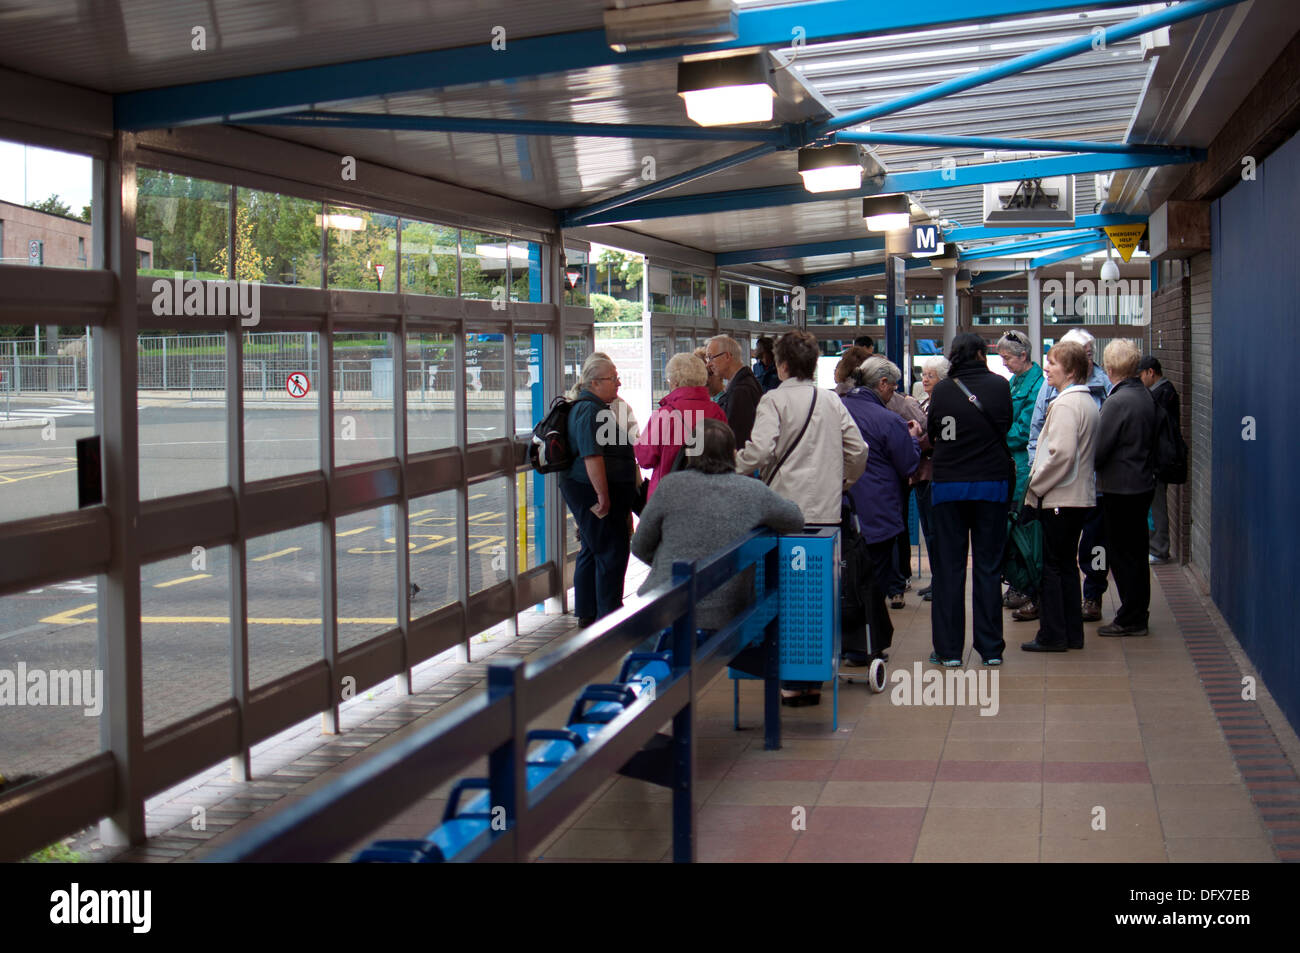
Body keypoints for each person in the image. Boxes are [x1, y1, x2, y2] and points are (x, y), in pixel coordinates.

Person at [737, 329, 869, 704]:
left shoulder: (773, 401)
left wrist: (730, 465)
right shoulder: (830, 401)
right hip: (826, 517)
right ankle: (814, 676)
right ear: (813, 364)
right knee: (821, 596)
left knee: (786, 597)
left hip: (784, 515)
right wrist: (843, 482)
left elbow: (760, 451)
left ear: (780, 365)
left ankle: (792, 680)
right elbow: (858, 450)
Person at [632, 418, 805, 632]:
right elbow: (796, 519)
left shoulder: (670, 485)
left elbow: (639, 546)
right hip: (721, 618)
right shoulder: (753, 491)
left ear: (690, 453)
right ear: (733, 454)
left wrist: (667, 562)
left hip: (662, 611)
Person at [926, 333, 1012, 667]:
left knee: (949, 569)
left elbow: (935, 433)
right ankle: (990, 650)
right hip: (992, 486)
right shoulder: (1000, 386)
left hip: (949, 488)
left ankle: (948, 651)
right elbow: (1004, 426)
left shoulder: (944, 389)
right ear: (980, 353)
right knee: (988, 568)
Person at [1018, 327, 1111, 624]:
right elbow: (1038, 436)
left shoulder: (1069, 403)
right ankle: (1070, 630)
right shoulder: (1077, 398)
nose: (1046, 369)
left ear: (1071, 369)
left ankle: (1055, 631)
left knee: (1057, 564)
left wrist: (1035, 485)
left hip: (1063, 496)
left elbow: (1062, 455)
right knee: (1067, 566)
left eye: (1053, 363)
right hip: (1075, 492)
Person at [840, 356, 922, 665]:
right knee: (872, 580)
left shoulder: (837, 407)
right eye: (894, 387)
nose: (895, 393)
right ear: (882, 384)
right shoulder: (887, 419)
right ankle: (866, 645)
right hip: (878, 510)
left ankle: (845, 642)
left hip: (839, 505)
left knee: (845, 578)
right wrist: (912, 438)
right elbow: (908, 464)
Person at [561, 355, 638, 627]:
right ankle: (609, 616)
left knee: (594, 549)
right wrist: (603, 497)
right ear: (594, 382)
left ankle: (590, 612)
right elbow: (591, 457)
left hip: (587, 489)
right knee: (611, 551)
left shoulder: (594, 407)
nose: (618, 383)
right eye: (612, 378)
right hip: (591, 491)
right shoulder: (589, 411)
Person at [1095, 340, 1157, 637]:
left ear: (1109, 368)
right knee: (1136, 551)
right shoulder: (1143, 395)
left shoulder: (1117, 401)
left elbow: (1099, 448)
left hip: (1121, 487)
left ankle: (1129, 616)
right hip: (1141, 484)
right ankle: (1136, 613)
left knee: (1122, 555)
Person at [996, 330, 1045, 611]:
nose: (1004, 364)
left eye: (1007, 358)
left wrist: (995, 437)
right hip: (1011, 464)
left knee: (1020, 529)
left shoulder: (1036, 385)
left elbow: (1024, 429)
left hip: (1022, 467)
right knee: (1011, 527)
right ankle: (1018, 582)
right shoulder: (1016, 381)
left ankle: (1025, 585)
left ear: (1023, 356)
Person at [634, 352, 726, 500]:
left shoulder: (665, 414)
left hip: (669, 494)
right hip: (707, 493)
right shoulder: (717, 412)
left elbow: (645, 459)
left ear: (675, 382)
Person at [880, 361, 926, 608]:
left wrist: (914, 445)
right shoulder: (880, 407)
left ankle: (898, 580)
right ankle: (897, 582)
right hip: (895, 474)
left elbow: (922, 430)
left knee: (896, 528)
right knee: (895, 528)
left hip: (898, 476)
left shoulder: (904, 403)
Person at [914, 355, 949, 602]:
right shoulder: (925, 401)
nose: (925, 379)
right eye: (924, 374)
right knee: (928, 531)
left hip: (934, 473)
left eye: (931, 375)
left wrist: (917, 439)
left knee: (937, 533)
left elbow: (939, 438)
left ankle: (942, 582)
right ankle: (937, 579)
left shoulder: (945, 403)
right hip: (921, 474)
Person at [1140, 355, 1180, 563]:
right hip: (1157, 460)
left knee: (1157, 505)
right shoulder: (1161, 392)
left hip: (1159, 461)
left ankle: (1159, 549)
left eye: (1141, 375)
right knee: (1154, 505)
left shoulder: (1162, 394)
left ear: (1150, 372)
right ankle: (1155, 546)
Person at [706, 335, 763, 448]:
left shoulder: (741, 391)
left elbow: (738, 439)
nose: (708, 364)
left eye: (711, 357)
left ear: (727, 356)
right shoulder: (745, 384)